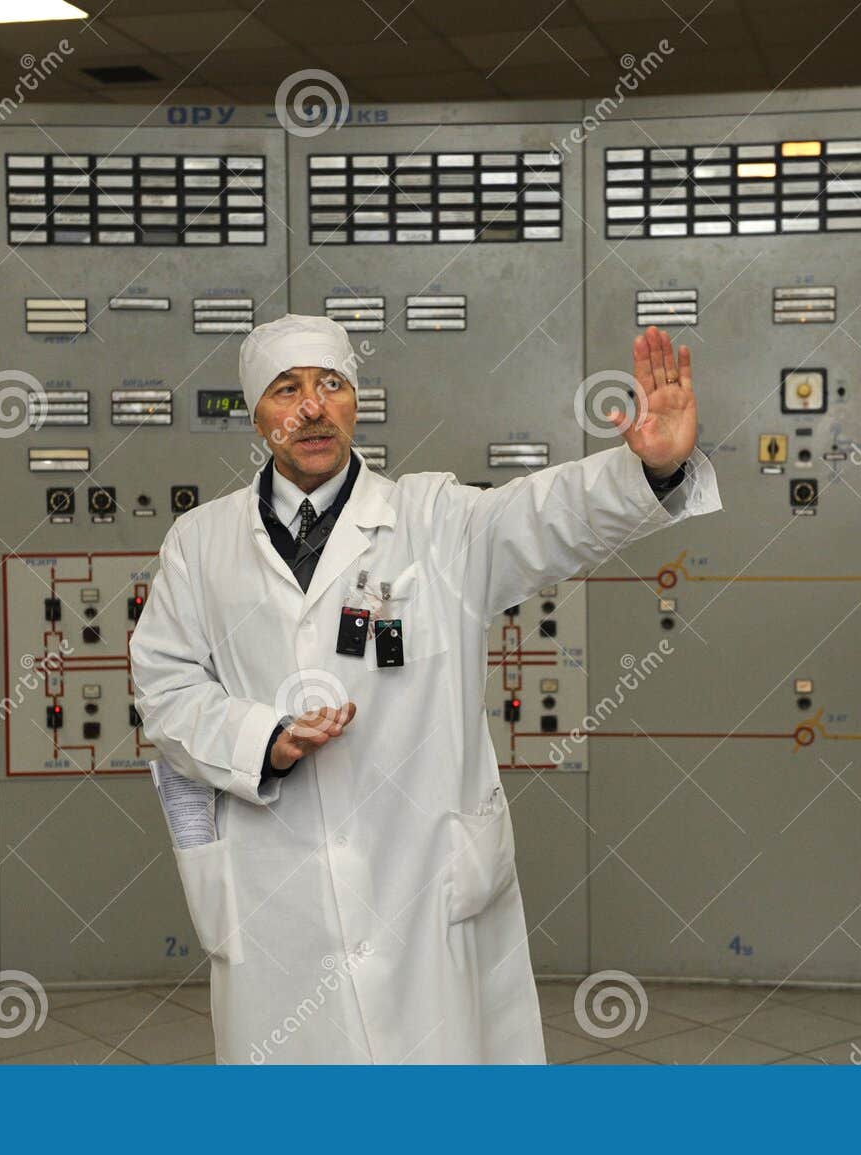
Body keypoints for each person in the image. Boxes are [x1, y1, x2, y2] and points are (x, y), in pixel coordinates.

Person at [129, 314, 721, 1063]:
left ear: (354, 404)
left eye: (331, 384)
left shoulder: (435, 521)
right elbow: (165, 685)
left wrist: (651, 470)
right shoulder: (201, 543)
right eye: (288, 389)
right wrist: (262, 740)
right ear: (258, 416)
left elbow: (546, 516)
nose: (312, 406)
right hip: (276, 893)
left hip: (424, 885)